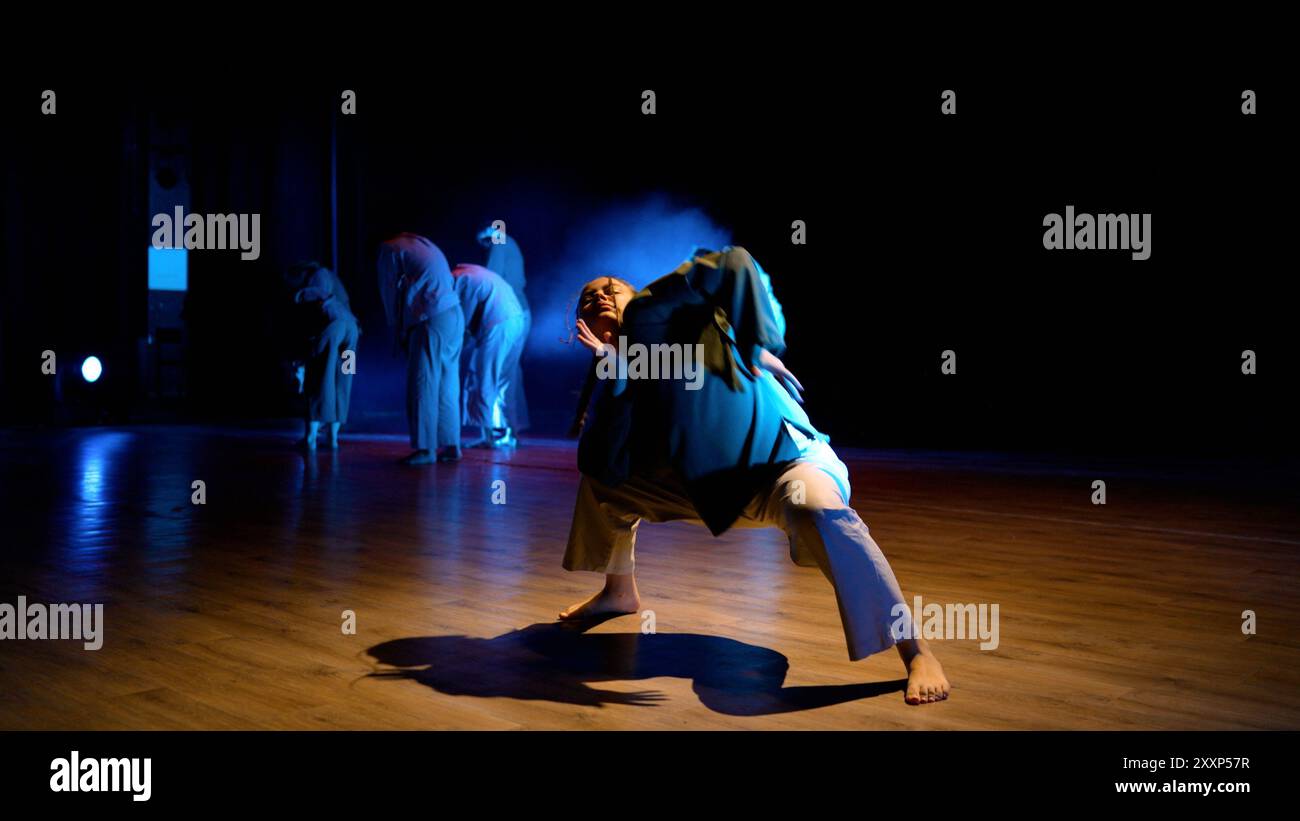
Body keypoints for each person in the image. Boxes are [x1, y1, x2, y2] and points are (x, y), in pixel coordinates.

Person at [560, 247, 951, 705]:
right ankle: (619, 592)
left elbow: (734, 264)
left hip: (785, 464)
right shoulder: (617, 372)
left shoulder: (665, 321)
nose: (603, 295)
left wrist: (751, 340)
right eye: (590, 297)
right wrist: (614, 368)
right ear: (578, 325)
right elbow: (604, 463)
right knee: (605, 486)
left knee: (818, 510)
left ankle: (916, 650)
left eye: (614, 289)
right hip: (715, 489)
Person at [377, 233, 463, 465]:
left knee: (423, 382)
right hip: (454, 313)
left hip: (431, 315)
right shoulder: (423, 242)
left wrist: (396, 330)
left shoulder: (390, 247)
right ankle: (452, 444)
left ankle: (425, 449)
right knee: (448, 381)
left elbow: (389, 290)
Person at [283, 261, 359, 450]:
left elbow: (320, 297)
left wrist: (298, 296)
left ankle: (310, 439)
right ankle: (333, 439)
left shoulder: (319, 274)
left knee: (317, 379)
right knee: (343, 380)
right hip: (352, 331)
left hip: (335, 326)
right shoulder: (333, 278)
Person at [452, 263, 526, 448]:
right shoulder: (473, 272)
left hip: (498, 323)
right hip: (517, 319)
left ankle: (489, 435)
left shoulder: (458, 279)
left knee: (484, 377)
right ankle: (507, 432)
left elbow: (464, 318)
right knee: (502, 379)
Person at [478, 224, 530, 434]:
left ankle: (503, 428)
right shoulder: (511, 245)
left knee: (500, 371)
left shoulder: (499, 242)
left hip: (508, 313)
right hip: (521, 311)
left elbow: (491, 279)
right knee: (510, 371)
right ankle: (511, 427)